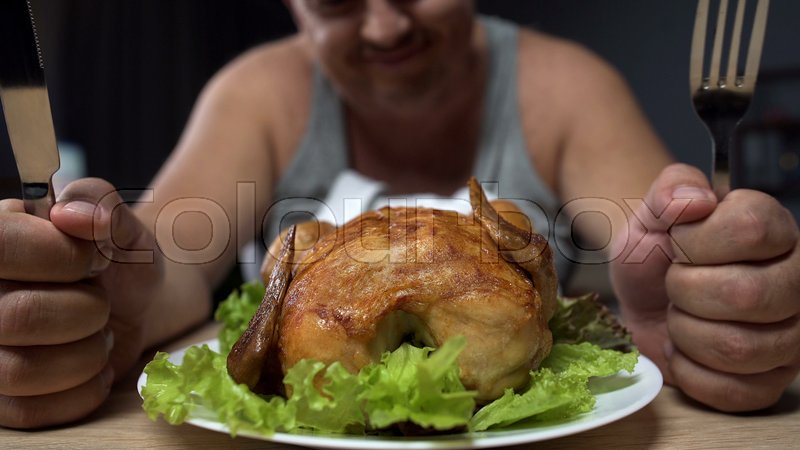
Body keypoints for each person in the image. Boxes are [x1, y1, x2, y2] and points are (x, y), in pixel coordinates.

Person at [1, 0, 798, 429]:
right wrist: (116, 297)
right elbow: (170, 262)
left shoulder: (564, 87)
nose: (385, 24)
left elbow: (663, 249)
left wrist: (702, 293)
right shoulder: (259, 94)